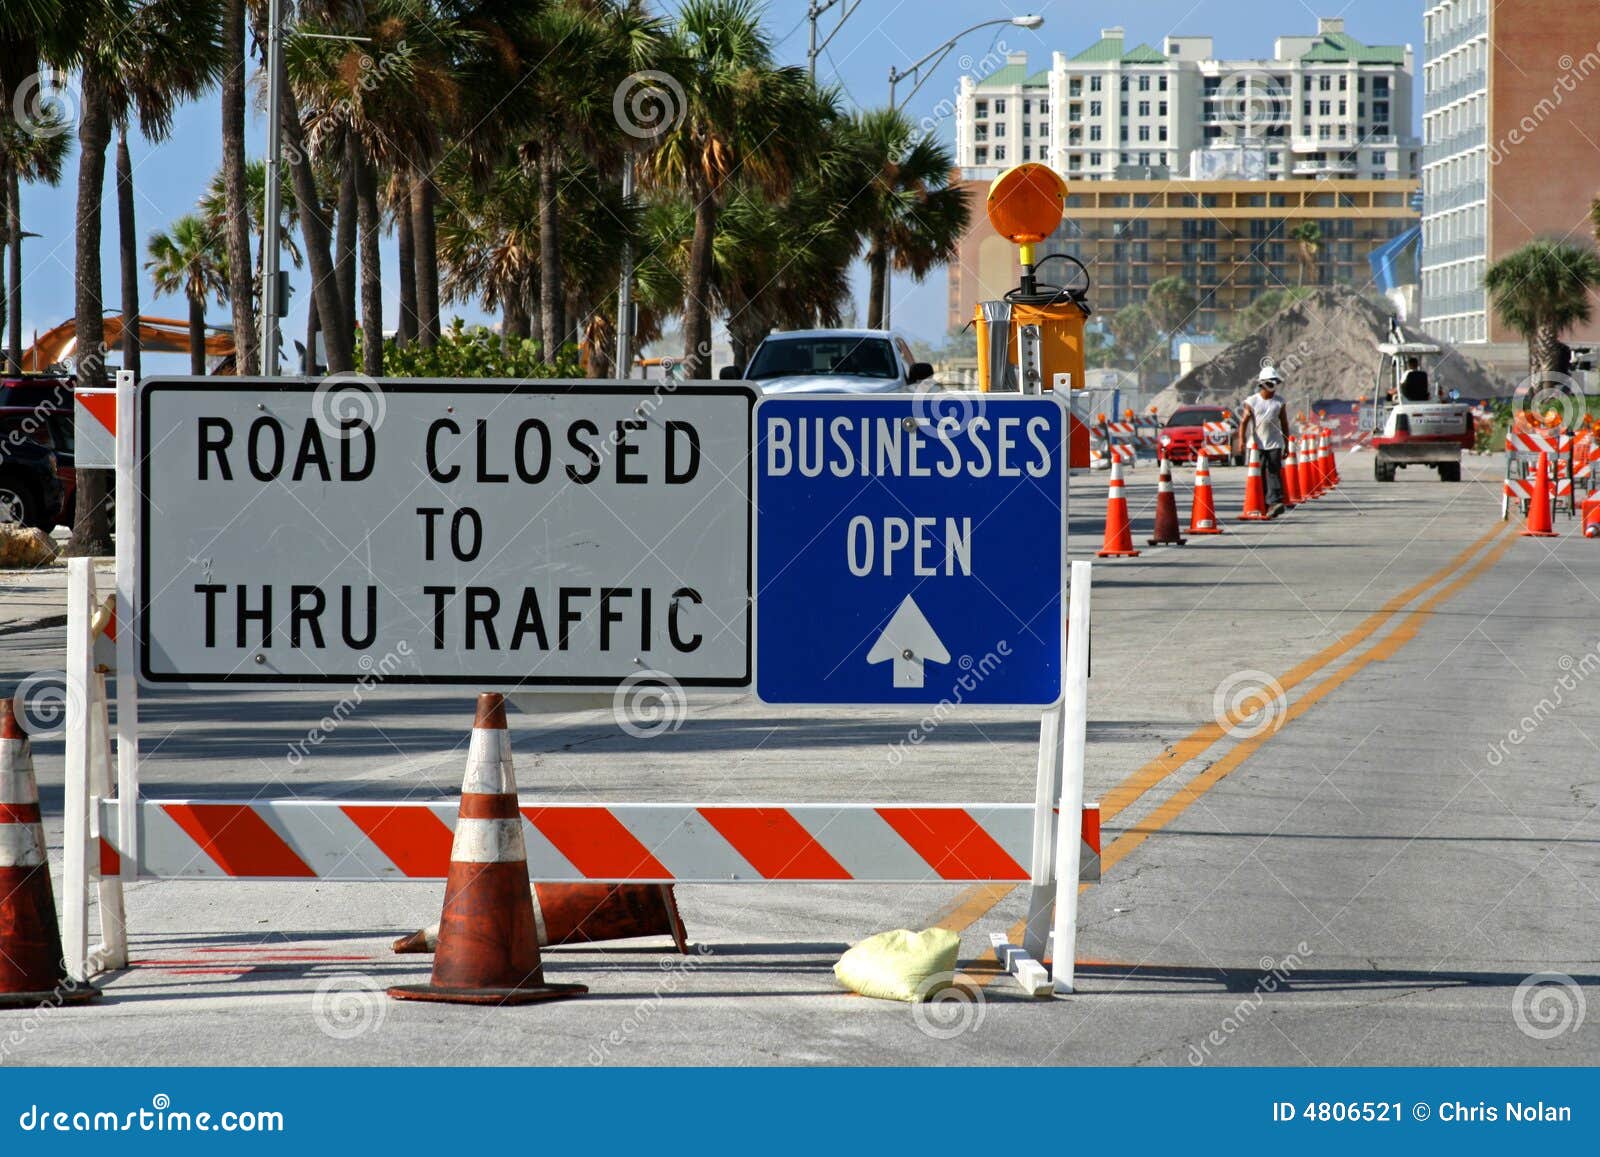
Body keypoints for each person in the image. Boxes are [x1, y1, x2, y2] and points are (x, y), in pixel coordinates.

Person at [1238, 365, 1292, 517]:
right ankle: (1262, 503)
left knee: (1274, 472)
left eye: (1275, 383)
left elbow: (1284, 423)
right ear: (1262, 384)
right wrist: (1241, 441)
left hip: (1274, 443)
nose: (1273, 387)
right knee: (1259, 472)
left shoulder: (1279, 402)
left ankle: (1275, 502)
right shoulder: (1252, 401)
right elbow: (1244, 422)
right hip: (1256, 445)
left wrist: (1286, 444)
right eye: (1270, 383)